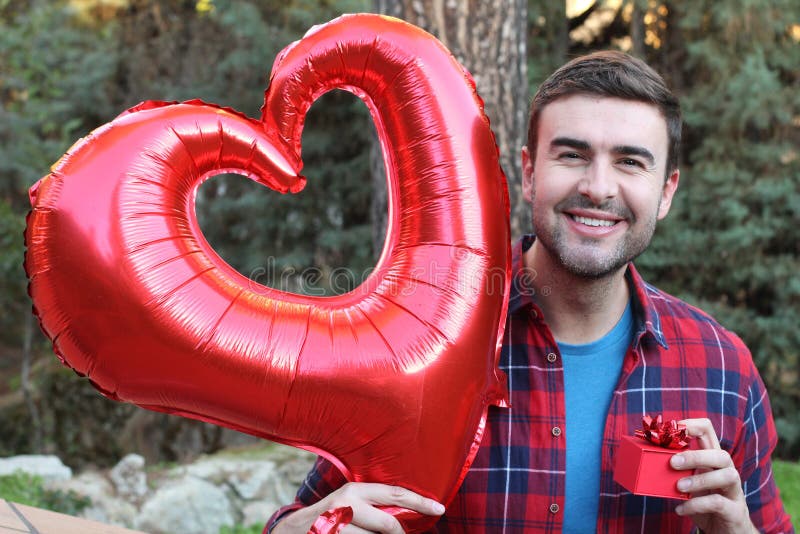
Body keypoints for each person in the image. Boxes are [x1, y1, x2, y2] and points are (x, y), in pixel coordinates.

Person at [265, 51, 794, 533]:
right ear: (528, 171)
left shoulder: (723, 370)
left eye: (631, 162)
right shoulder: (421, 342)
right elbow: (308, 515)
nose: (599, 187)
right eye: (572, 155)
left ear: (666, 192)